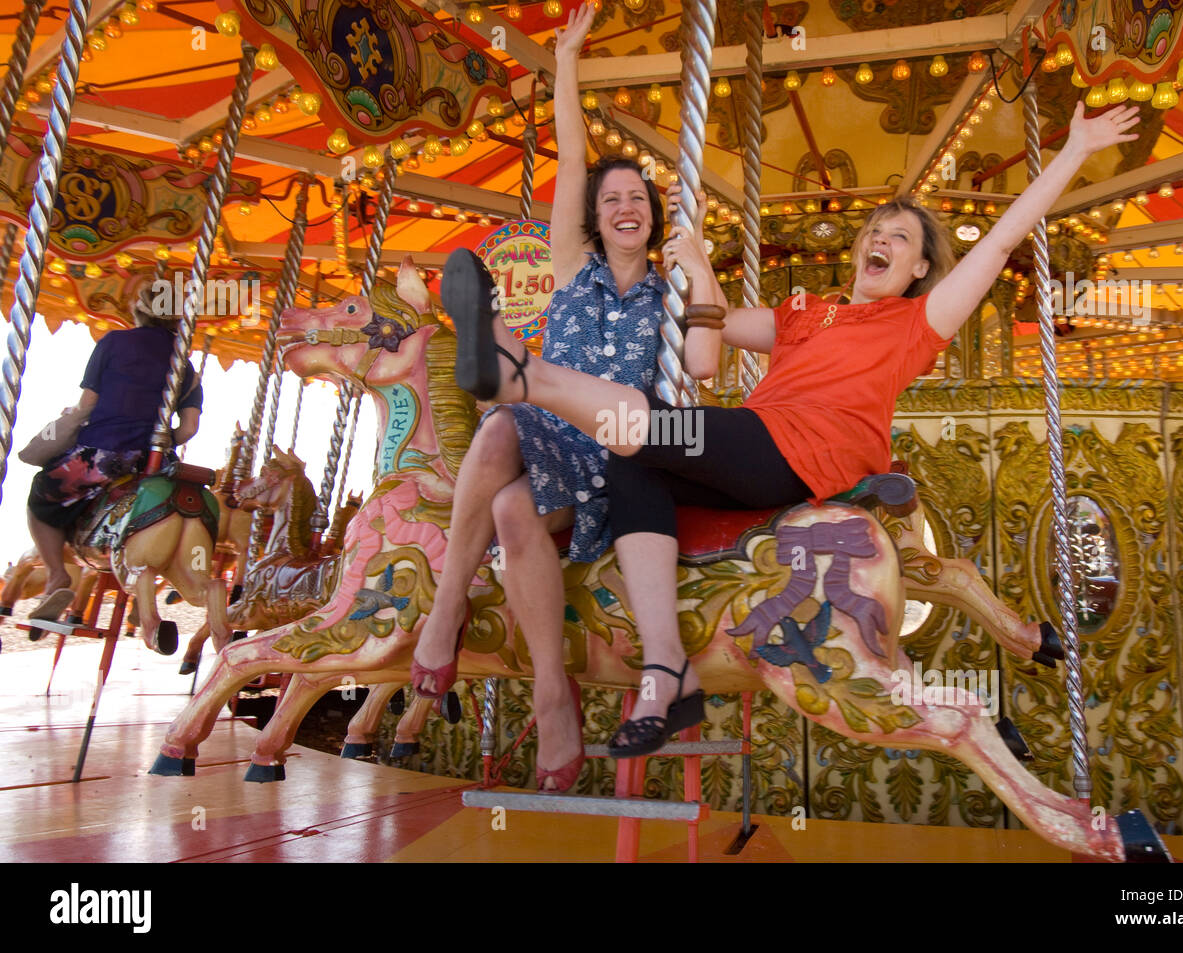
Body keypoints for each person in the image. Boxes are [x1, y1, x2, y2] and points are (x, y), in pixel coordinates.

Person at [442, 99, 1141, 758]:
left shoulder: (914, 325)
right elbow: (715, 333)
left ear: (920, 267)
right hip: (751, 445)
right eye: (875, 231)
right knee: (634, 462)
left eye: (898, 238)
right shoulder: (809, 314)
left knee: (653, 427)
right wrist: (697, 268)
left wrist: (1074, 150)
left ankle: (518, 374)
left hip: (801, 456)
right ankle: (665, 670)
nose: (879, 241)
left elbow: (997, 244)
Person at [410, 1, 695, 790]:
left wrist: (700, 271)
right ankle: (547, 691)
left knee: (503, 433)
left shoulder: (672, 300)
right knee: (504, 461)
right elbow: (572, 157)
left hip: (610, 449)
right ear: (595, 222)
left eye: (637, 196)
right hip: (538, 432)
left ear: (654, 214)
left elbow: (698, 364)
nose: (624, 205)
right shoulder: (573, 266)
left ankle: (450, 618)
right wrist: (566, 58)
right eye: (611, 200)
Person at [26, 291, 203, 621]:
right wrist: (159, 443)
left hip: (105, 453)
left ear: (139, 310)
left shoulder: (114, 343)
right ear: (178, 320)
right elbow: (189, 428)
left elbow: (86, 405)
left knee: (42, 492)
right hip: (157, 464)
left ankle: (57, 575)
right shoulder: (186, 367)